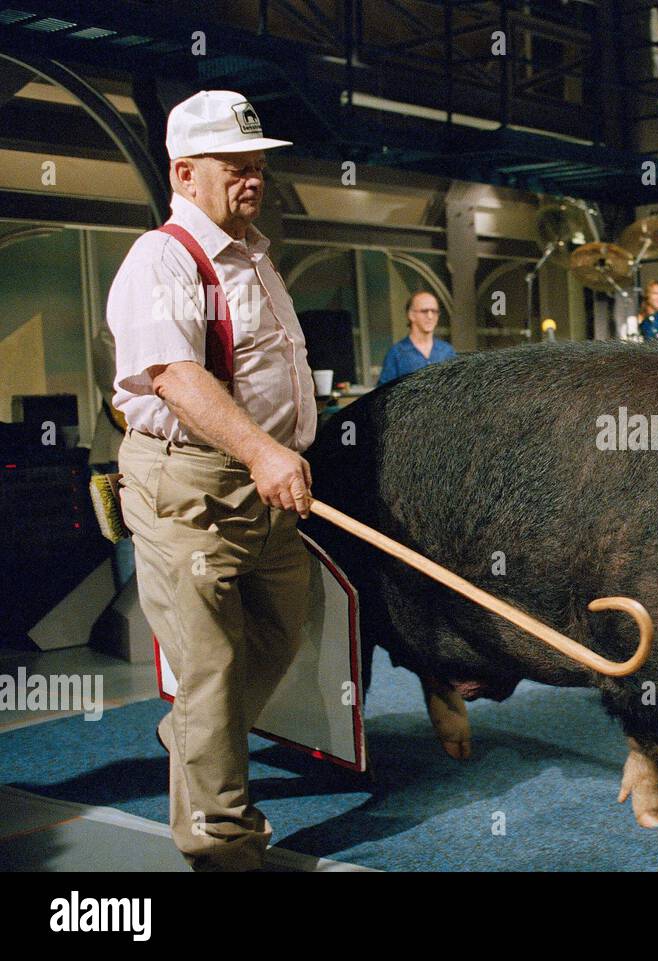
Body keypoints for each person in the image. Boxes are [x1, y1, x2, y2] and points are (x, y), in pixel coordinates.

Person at [108, 89, 316, 871]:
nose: (252, 177)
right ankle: (223, 848)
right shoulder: (162, 258)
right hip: (187, 491)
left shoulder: (254, 255)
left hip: (262, 493)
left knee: (277, 636)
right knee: (213, 666)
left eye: (258, 163)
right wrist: (265, 452)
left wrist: (276, 453)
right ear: (184, 171)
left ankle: (195, 732)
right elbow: (174, 375)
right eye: (235, 164)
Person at [377, 290, 456, 385]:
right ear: (411, 315)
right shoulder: (397, 353)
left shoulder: (447, 351)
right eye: (424, 311)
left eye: (434, 311)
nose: (430, 316)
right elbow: (383, 393)